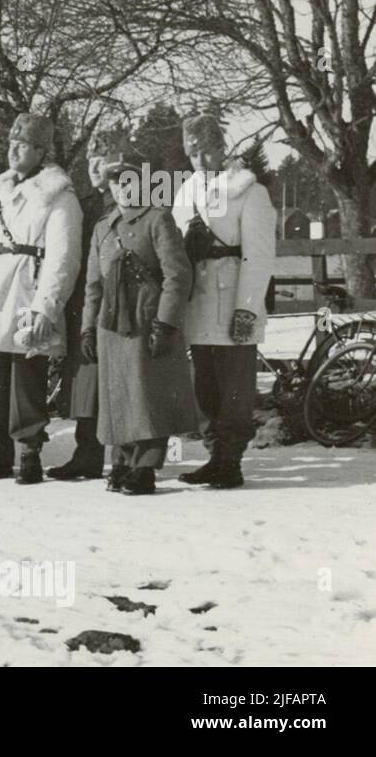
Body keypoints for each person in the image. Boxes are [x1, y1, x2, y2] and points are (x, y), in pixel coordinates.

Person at [0, 113, 83, 484]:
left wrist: (47, 306)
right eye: (11, 143)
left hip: (28, 290)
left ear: (41, 151)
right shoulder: (0, 194)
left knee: (26, 378)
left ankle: (29, 453)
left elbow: (64, 258)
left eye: (23, 145)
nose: (13, 150)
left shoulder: (59, 196)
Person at [82, 150, 200, 494]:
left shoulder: (158, 220)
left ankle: (146, 467)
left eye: (129, 180)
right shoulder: (103, 228)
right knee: (118, 395)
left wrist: (165, 323)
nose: (122, 187)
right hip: (110, 326)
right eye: (116, 181)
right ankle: (122, 461)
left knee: (148, 395)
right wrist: (87, 328)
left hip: (146, 322)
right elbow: (93, 285)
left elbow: (177, 276)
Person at [171, 113, 276, 489]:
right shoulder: (185, 192)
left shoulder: (249, 190)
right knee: (204, 386)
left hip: (233, 295)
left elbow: (259, 255)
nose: (200, 159)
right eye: (192, 152)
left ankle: (229, 461)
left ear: (221, 148)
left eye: (207, 150)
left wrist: (247, 307)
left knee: (234, 386)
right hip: (197, 299)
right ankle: (214, 454)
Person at [47, 127, 125, 481]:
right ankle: (87, 454)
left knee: (121, 383)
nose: (96, 168)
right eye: (91, 161)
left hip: (121, 303)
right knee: (87, 384)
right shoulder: (82, 205)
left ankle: (126, 459)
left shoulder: (134, 200)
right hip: (85, 303)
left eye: (103, 160)